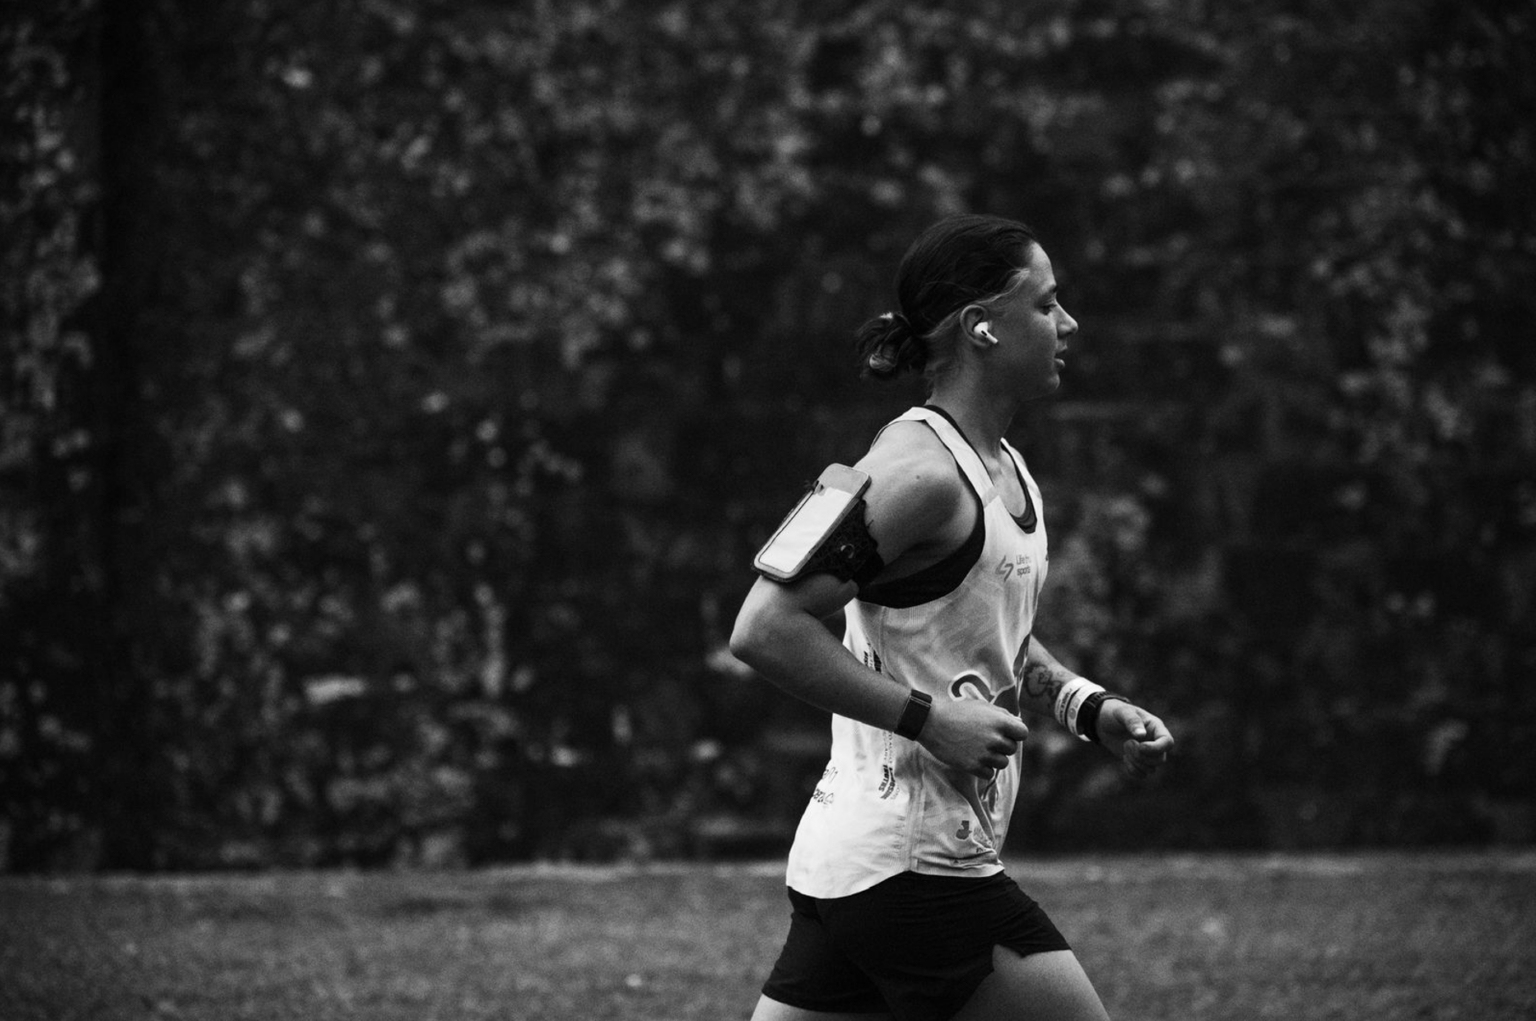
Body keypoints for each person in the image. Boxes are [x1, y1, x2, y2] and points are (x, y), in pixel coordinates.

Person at [729, 213, 1176, 1021]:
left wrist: (1087, 705)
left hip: (859, 871)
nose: (1068, 323)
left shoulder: (1005, 468)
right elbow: (765, 626)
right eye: (1045, 305)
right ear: (983, 329)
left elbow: (987, 626)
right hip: (917, 873)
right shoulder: (915, 472)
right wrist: (930, 719)